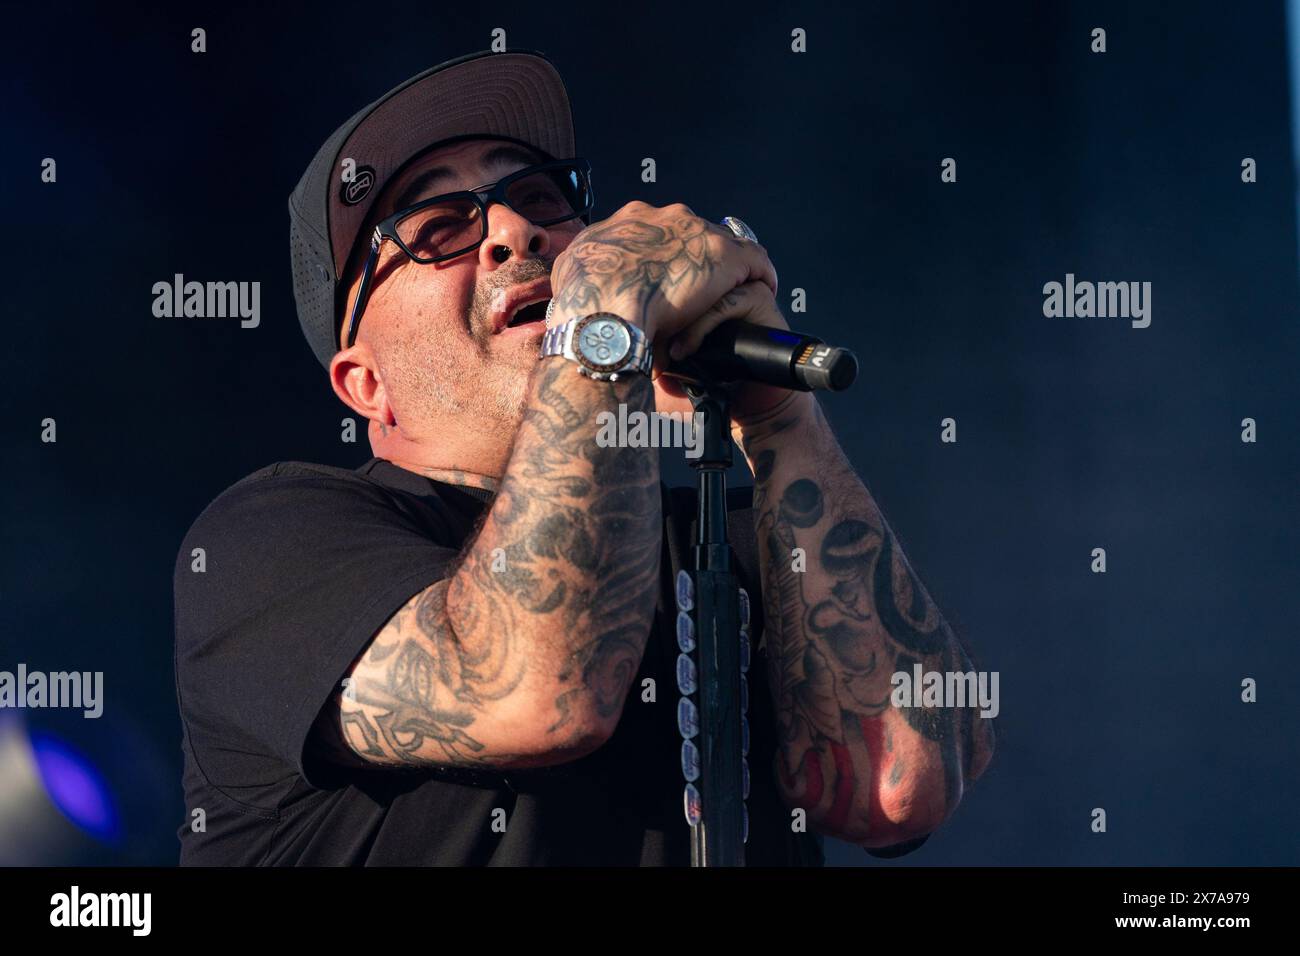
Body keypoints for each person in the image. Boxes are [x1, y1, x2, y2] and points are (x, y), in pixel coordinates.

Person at [173, 49, 994, 866]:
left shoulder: (735, 539)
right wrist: (601, 326)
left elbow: (898, 785)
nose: (511, 230)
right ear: (365, 384)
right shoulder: (272, 540)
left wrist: (776, 414)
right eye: (439, 228)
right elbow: (536, 694)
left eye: (535, 197)